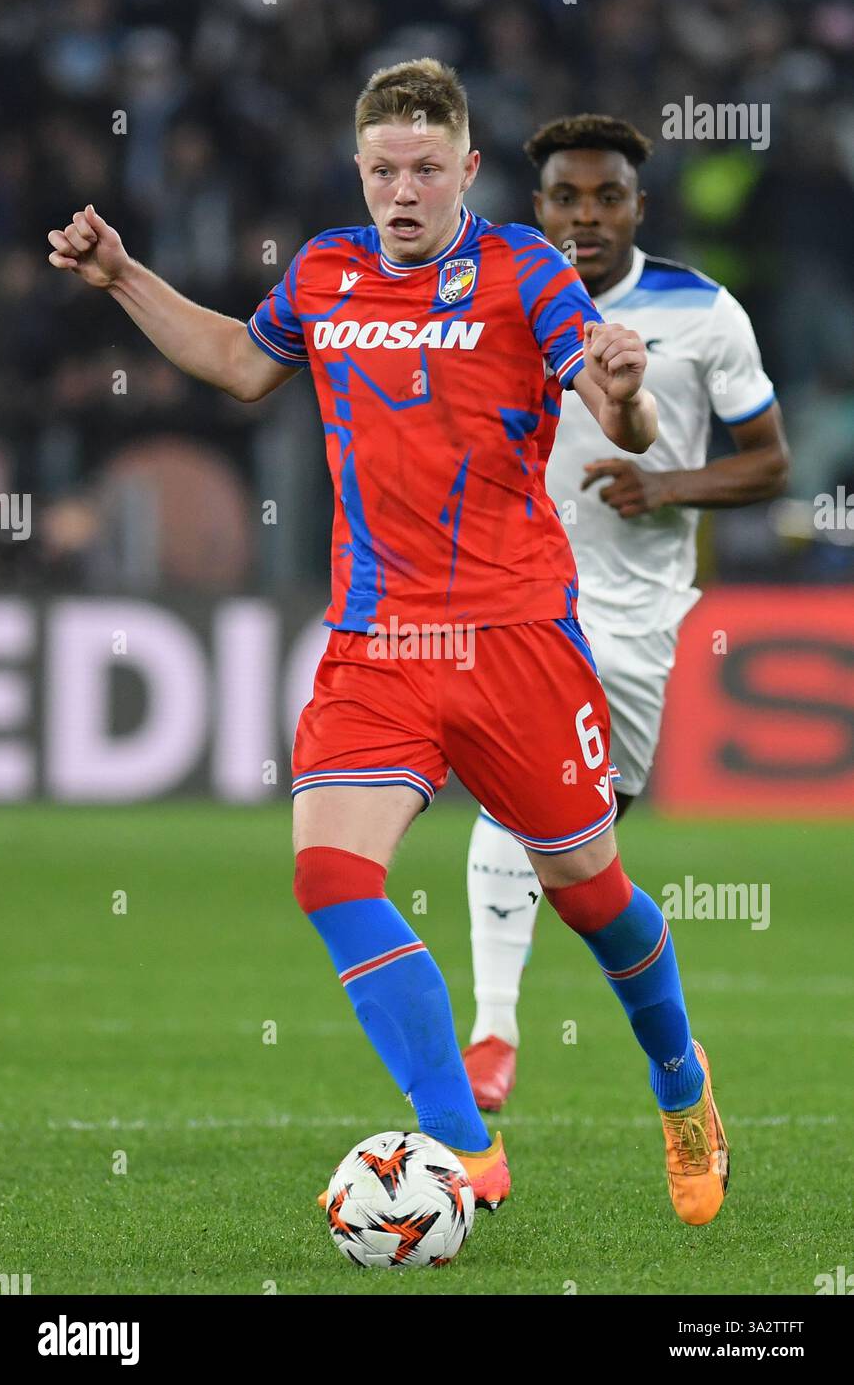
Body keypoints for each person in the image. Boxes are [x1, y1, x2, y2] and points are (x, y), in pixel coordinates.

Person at [48, 63, 727, 1231]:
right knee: (327, 874)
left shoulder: (525, 269)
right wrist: (122, 278)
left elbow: (618, 405)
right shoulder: (321, 271)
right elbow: (238, 363)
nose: (400, 192)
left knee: (593, 899)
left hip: (516, 641)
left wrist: (625, 398)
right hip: (377, 644)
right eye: (381, 172)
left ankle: (680, 1084)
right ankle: (465, 1146)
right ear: (358, 173)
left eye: (423, 170)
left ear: (465, 169)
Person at [463, 114, 788, 1116]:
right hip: (514, 595)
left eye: (606, 198)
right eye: (565, 197)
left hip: (635, 618)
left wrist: (668, 486)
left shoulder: (701, 314)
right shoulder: (496, 297)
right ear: (537, 207)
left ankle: (674, 1068)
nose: (585, 216)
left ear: (637, 208)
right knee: (512, 807)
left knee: (586, 874)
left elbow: (770, 464)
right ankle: (492, 1033)